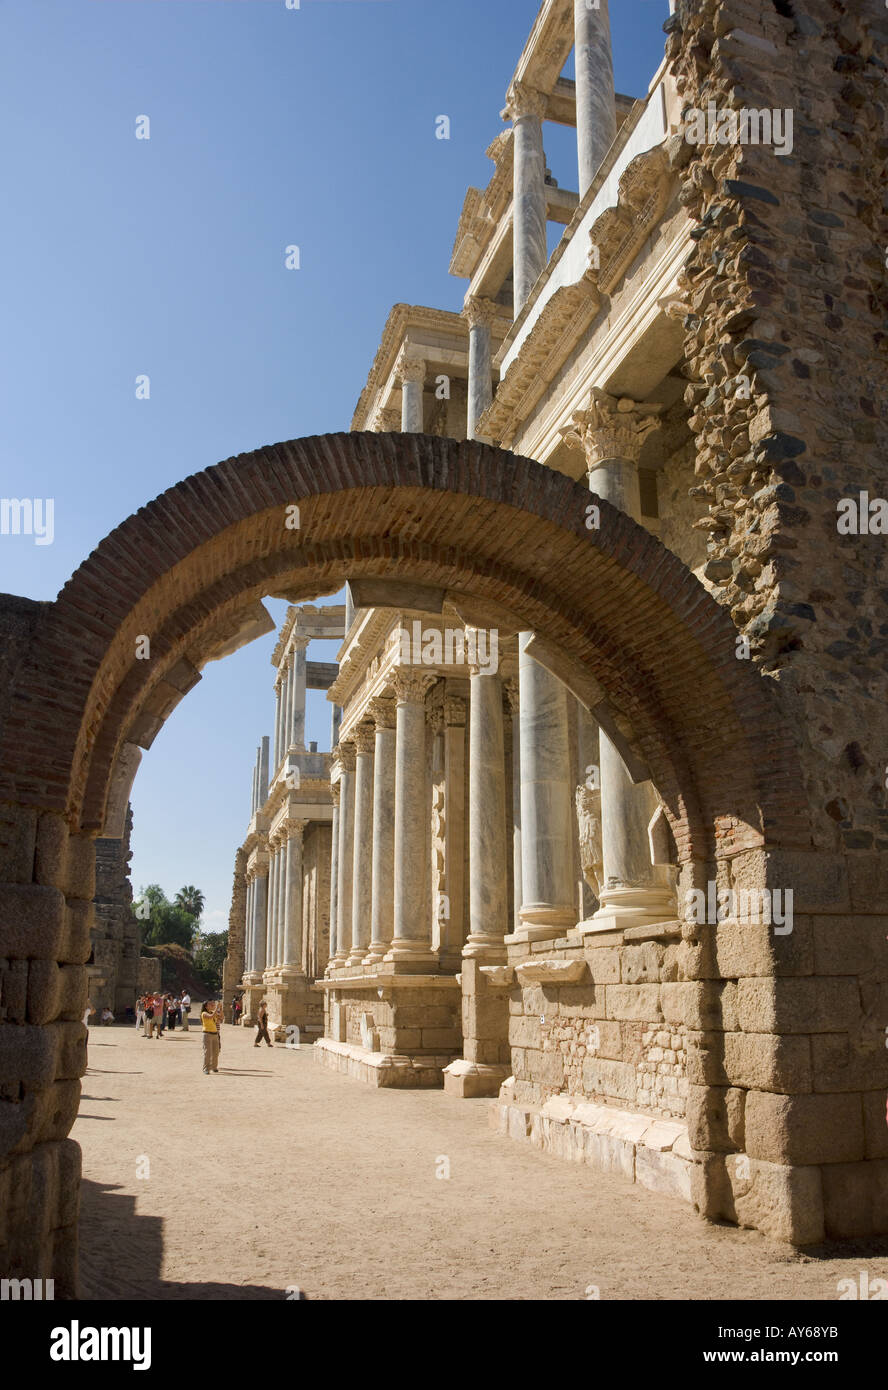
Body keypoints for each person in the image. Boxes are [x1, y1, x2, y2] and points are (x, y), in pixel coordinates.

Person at [200, 1000, 220, 1074]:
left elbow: (221, 1017)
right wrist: (216, 1008)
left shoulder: (212, 1012)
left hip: (215, 1034)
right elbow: (211, 1016)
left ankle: (214, 1067)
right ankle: (206, 1068)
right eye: (209, 1004)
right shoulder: (204, 1013)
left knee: (216, 1052)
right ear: (206, 1006)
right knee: (208, 1052)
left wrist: (219, 1009)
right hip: (207, 1034)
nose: (211, 1005)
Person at [83, 998, 95, 1066]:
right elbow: (93, 1011)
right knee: (84, 1047)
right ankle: (84, 1062)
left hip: (80, 1029)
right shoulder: (86, 1011)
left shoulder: (78, 1011)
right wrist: (89, 1003)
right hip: (84, 1029)